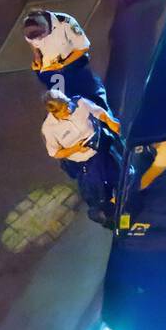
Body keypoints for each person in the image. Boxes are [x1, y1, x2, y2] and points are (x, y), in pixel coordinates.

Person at [41, 88, 122, 226]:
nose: (69, 110)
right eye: (64, 111)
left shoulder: (80, 102)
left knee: (120, 175)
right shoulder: (49, 129)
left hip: (101, 150)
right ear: (54, 113)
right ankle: (111, 218)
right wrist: (75, 149)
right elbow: (55, 153)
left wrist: (110, 121)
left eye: (68, 105)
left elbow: (98, 112)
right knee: (100, 194)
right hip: (85, 164)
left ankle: (128, 199)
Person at [23, 9, 108, 107]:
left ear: (46, 26)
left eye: (41, 37)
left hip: (74, 63)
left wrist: (63, 64)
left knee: (92, 95)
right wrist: (37, 57)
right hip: (51, 71)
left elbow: (83, 47)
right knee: (63, 103)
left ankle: (105, 118)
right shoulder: (29, 26)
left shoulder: (65, 22)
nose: (39, 40)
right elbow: (32, 43)